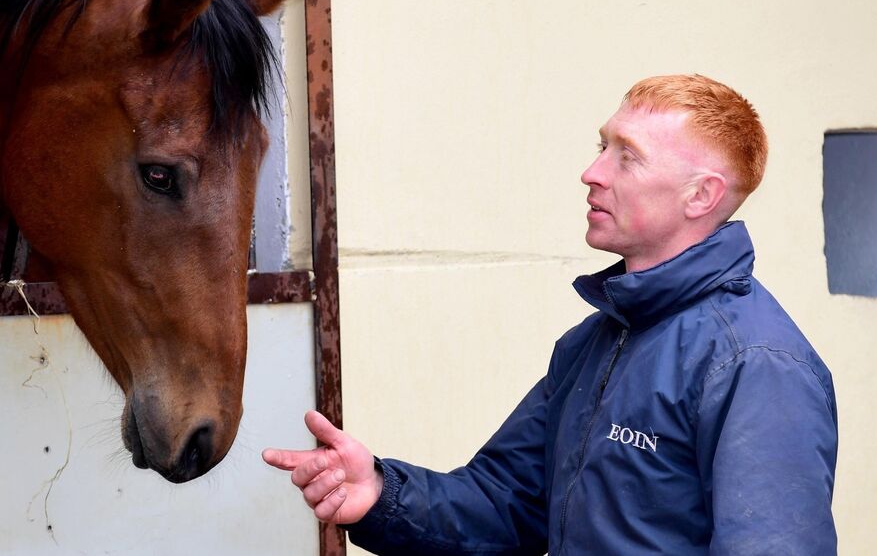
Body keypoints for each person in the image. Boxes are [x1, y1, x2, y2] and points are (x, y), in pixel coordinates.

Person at [262, 74, 838, 555]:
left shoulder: (755, 365)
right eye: (602, 146)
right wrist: (379, 493)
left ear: (700, 196)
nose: (594, 173)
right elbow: (504, 502)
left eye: (628, 157)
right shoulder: (594, 343)